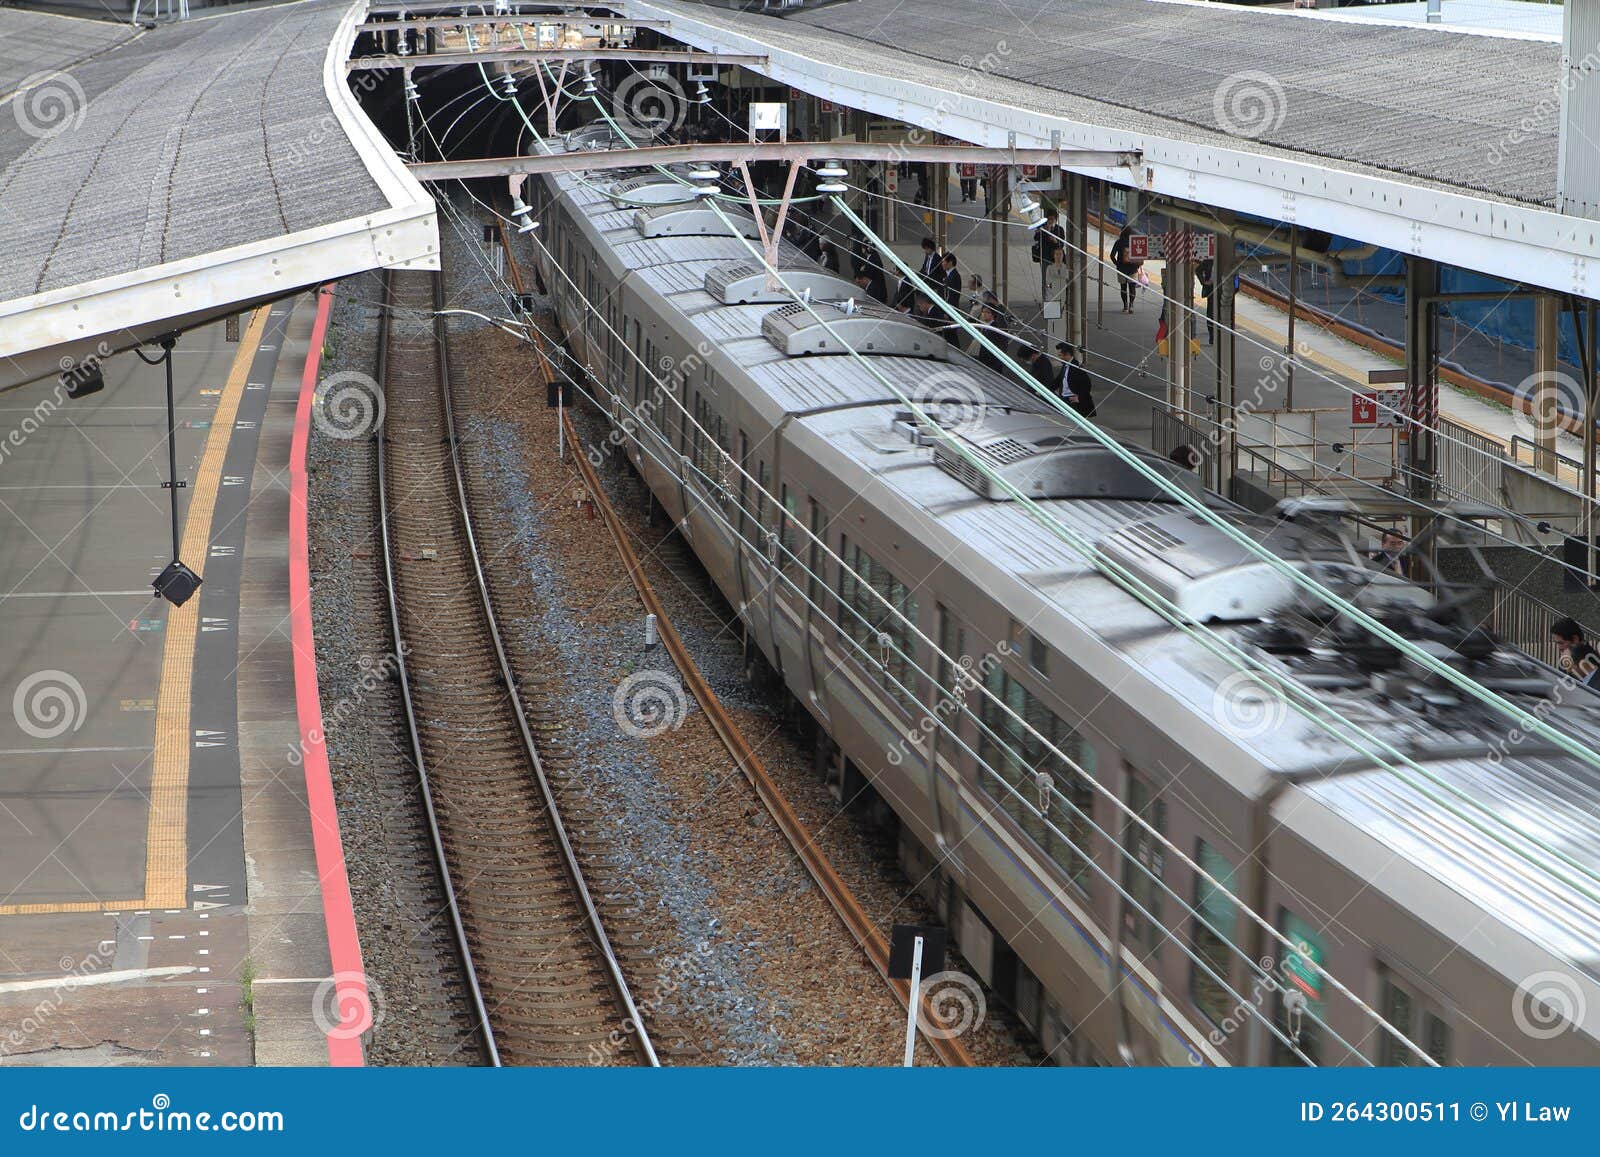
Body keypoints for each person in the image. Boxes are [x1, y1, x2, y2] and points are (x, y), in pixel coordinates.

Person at [897, 237, 942, 308]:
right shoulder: (927, 256)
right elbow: (924, 268)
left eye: (926, 249)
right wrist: (917, 275)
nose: (925, 251)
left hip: (932, 285)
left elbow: (937, 274)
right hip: (925, 283)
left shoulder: (937, 258)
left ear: (930, 248)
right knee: (918, 296)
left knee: (925, 302)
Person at [1552, 617, 1600, 684]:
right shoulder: (1564, 661)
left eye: (1561, 643)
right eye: (1557, 643)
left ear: (1575, 639)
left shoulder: (1594, 659)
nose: (1559, 647)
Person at [1055, 342, 1095, 418]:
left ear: (1067, 354)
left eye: (1060, 355)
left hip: (1073, 401)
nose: (1058, 358)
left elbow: (1087, 384)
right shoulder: (1065, 365)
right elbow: (1057, 381)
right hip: (1065, 398)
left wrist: (1079, 398)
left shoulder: (1076, 367)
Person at [1110, 224, 1142, 313]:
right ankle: (1131, 305)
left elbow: (1112, 255)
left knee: (1123, 288)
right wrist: (1137, 265)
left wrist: (1117, 264)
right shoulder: (1134, 242)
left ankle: (1125, 306)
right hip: (1133, 268)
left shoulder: (1118, 242)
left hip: (1121, 268)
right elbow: (1139, 255)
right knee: (1132, 287)